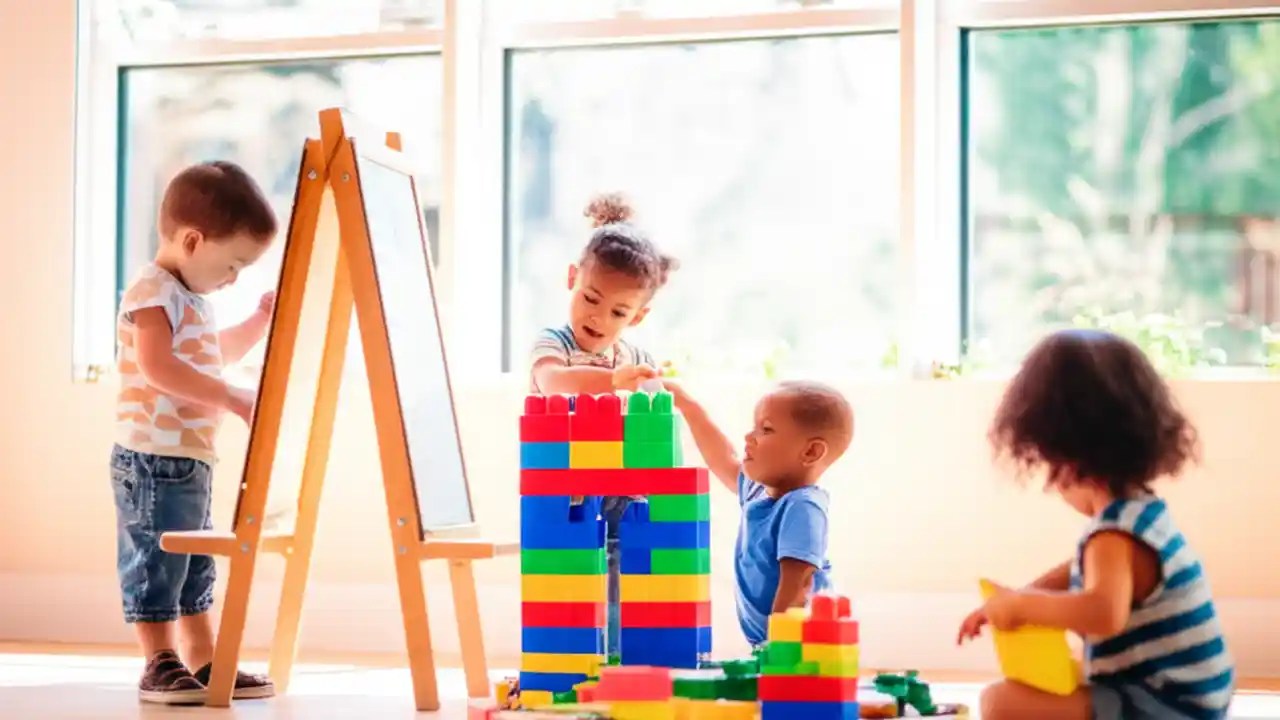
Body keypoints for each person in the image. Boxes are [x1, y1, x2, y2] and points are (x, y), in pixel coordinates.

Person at [957, 329, 1235, 720]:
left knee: (1001, 703)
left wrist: (1022, 607)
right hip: (1187, 699)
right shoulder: (1141, 512)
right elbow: (1082, 569)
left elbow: (1104, 612)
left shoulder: (1112, 535)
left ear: (1066, 459)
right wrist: (1017, 597)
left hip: (1162, 706)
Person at [112, 161, 279, 704]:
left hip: (188, 459)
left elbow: (211, 354)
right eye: (232, 265)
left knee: (195, 563)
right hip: (150, 459)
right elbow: (160, 368)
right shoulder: (151, 290)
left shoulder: (194, 301)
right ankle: (158, 660)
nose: (234, 279)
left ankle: (205, 660)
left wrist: (256, 324)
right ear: (191, 240)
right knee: (156, 561)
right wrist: (229, 396)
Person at [527, 192, 679, 659]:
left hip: (623, 492)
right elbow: (553, 382)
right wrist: (612, 382)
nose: (598, 317)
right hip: (565, 494)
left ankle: (623, 663)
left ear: (638, 316)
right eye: (591, 298)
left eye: (618, 312)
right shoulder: (554, 343)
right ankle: (578, 663)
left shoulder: (634, 358)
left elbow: (656, 415)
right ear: (573, 279)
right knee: (572, 585)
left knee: (628, 576)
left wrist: (656, 390)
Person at [664, 378, 853, 647]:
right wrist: (687, 404)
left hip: (802, 643)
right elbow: (724, 458)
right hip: (774, 640)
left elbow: (798, 583)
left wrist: (780, 647)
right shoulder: (759, 493)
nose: (749, 437)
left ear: (810, 451)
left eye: (766, 429)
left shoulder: (803, 506)